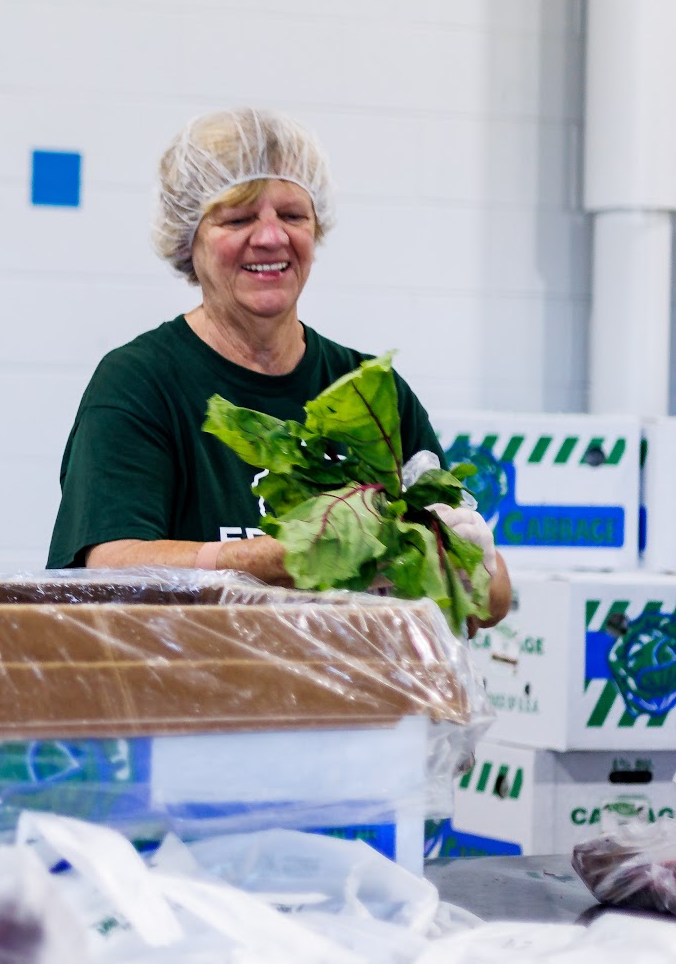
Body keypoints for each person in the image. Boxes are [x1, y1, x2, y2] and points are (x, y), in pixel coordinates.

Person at [45, 108, 510, 625]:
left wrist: (468, 554)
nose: (271, 237)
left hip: (351, 679)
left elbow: (488, 605)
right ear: (188, 239)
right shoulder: (141, 383)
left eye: (292, 216)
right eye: (238, 219)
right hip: (200, 675)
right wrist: (288, 558)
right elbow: (110, 567)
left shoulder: (368, 392)